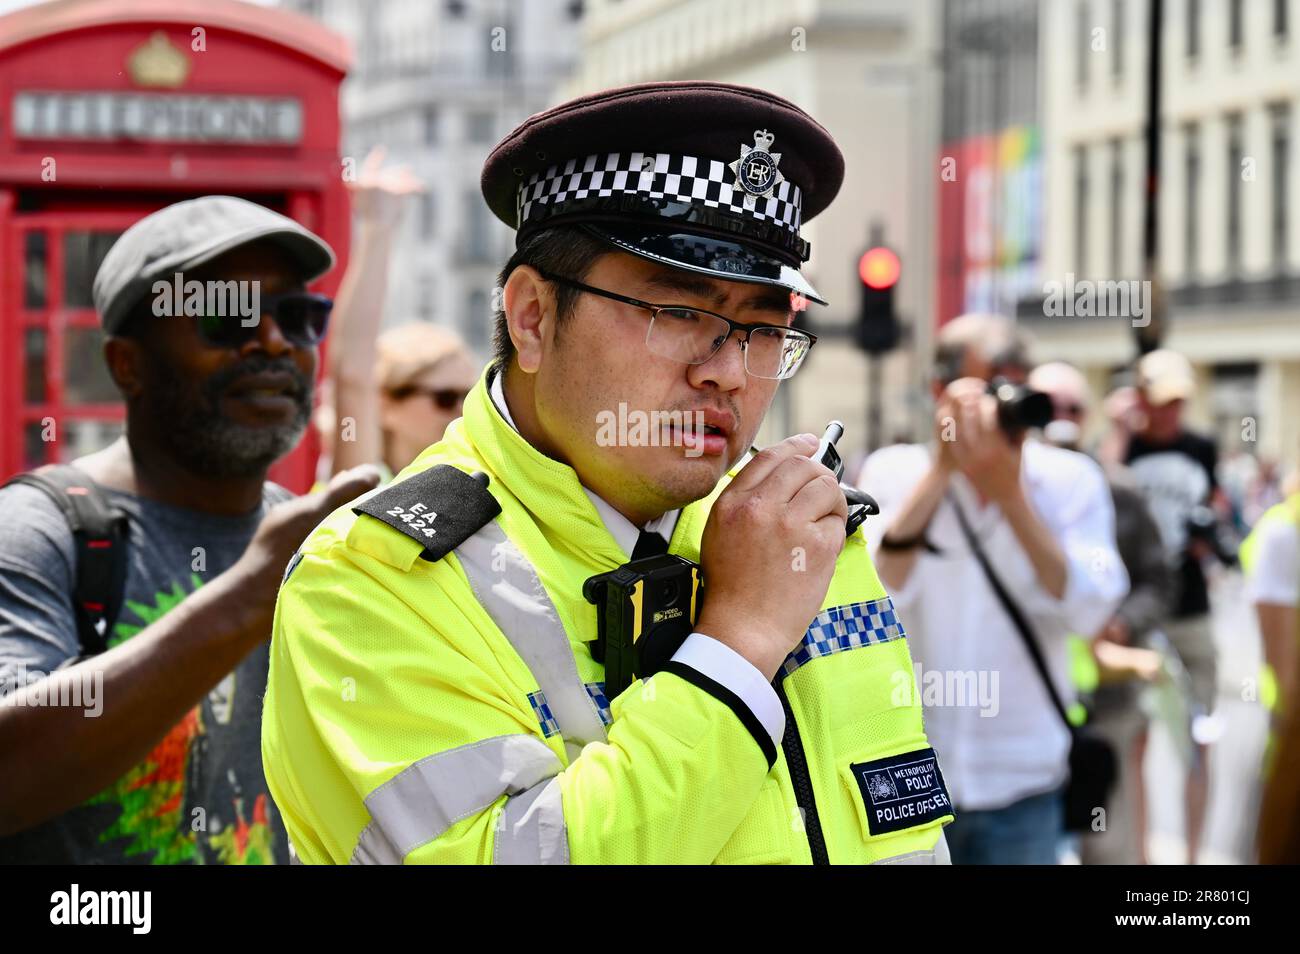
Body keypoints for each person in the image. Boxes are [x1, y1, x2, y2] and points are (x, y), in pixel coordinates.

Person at [263, 81, 955, 865]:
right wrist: (739, 644)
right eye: (680, 314)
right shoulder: (369, 582)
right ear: (531, 317)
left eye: (762, 330)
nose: (728, 372)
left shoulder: (800, 530)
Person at [0, 196, 378, 862]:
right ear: (127, 365)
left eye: (298, 316)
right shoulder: (38, 531)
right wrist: (252, 595)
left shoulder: (311, 539)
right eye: (223, 318)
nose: (271, 341)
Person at [858, 315, 1127, 865]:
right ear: (940, 390)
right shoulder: (893, 472)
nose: (1005, 405)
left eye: (1016, 384)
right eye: (990, 386)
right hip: (911, 777)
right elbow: (879, 595)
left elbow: (1090, 607)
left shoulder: (1070, 480)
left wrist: (1011, 497)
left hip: (1024, 781)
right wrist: (941, 470)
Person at [1028, 361, 1173, 865]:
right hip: (1026, 699)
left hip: (1106, 698)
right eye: (1048, 406)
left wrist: (1121, 622)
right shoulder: (1000, 492)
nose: (1061, 419)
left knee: (1106, 841)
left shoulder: (1121, 490)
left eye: (1073, 408)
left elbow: (1157, 579)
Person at [1115, 348, 1223, 865]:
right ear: (1141, 400)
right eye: (1162, 402)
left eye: (1179, 402)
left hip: (1192, 607)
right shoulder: (1123, 449)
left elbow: (1215, 510)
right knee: (1136, 740)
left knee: (1198, 740)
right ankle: (1141, 860)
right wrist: (1117, 433)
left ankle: (1195, 860)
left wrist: (1211, 539)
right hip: (1138, 612)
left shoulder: (1202, 447)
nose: (1172, 412)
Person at [315, 147, 480, 481]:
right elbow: (353, 376)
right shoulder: (365, 481)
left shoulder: (475, 482)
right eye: (445, 398)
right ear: (385, 404)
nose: (463, 414)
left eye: (472, 398)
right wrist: (378, 227)